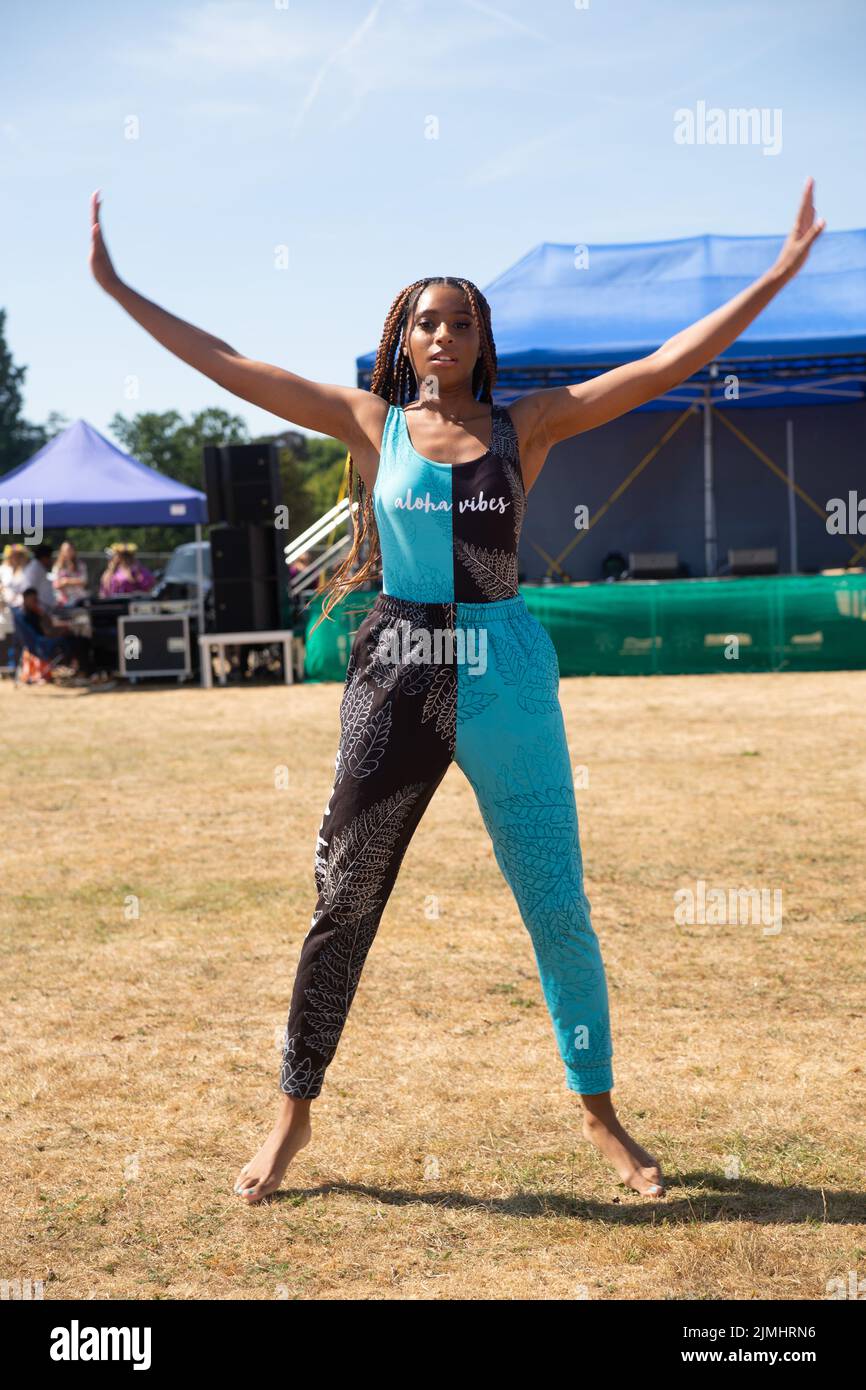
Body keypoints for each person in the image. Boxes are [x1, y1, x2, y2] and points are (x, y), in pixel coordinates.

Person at [89, 179, 825, 1205]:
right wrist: (120, 290)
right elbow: (233, 367)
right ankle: (291, 1112)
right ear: (403, 340)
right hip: (395, 674)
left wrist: (777, 277)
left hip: (505, 677)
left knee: (557, 910)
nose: (441, 335)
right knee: (341, 901)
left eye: (459, 321)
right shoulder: (368, 422)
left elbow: (665, 363)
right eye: (423, 322)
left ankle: (599, 1112)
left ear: (482, 340)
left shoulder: (531, 424)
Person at [17, 588, 97, 680]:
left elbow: (48, 627)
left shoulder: (32, 613)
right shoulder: (26, 616)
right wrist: (62, 630)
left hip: (46, 642)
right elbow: (47, 632)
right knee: (81, 641)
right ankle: (87, 672)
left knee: (80, 639)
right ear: (25, 599)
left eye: (36, 599)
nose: (36, 602)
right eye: (33, 600)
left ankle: (84, 671)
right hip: (45, 645)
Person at [50, 541, 89, 607]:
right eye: (66, 550)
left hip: (79, 599)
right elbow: (55, 584)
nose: (68, 553)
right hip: (63, 601)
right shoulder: (57, 567)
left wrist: (66, 581)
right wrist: (73, 581)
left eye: (70, 550)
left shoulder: (80, 565)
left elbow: (84, 581)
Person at [20, 543, 57, 612]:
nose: (51, 560)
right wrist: (41, 614)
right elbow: (28, 595)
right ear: (44, 558)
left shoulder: (38, 567)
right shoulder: (34, 569)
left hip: (44, 610)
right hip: (37, 613)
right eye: (50, 557)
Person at [1, 543, 32, 608]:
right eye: (13, 555)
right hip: (5, 606)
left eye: (18, 555)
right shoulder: (3, 569)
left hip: (20, 605)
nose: (15, 558)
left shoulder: (26, 570)